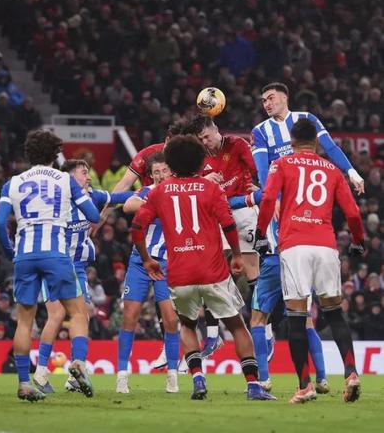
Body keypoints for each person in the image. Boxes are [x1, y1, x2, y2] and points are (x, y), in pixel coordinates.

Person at [131, 135, 275, 401]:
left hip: (180, 273)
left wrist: (147, 259)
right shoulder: (211, 188)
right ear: (200, 161)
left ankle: (198, 378)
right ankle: (254, 385)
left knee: (187, 324)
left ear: (171, 162)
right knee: (237, 326)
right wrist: (236, 256)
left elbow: (137, 227)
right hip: (213, 271)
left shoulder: (159, 191)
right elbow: (228, 224)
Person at [249, 82, 364, 392]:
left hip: (291, 242)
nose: (266, 103)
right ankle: (346, 374)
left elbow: (330, 148)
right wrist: (358, 241)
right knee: (331, 311)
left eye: (271, 97)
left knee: (297, 315)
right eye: (263, 100)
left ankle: (305, 384)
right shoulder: (261, 131)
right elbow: (352, 213)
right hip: (321, 241)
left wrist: (352, 171)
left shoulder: (303, 127)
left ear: (285, 97)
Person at [0, 130, 100, 402]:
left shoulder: (13, 183)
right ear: (55, 154)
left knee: (25, 321)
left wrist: (10, 250)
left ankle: (24, 382)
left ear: (28, 153)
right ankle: (78, 362)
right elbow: (93, 214)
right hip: (56, 254)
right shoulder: (65, 180)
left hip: (25, 255)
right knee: (78, 313)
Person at [33, 159, 133, 394]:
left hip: (77, 266)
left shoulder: (93, 196)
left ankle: (75, 373)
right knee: (57, 315)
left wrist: (151, 191)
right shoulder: (57, 199)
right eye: (83, 173)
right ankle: (41, 371)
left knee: (83, 313)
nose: (88, 177)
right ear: (68, 177)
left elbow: (119, 197)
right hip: (55, 264)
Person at [185, 115, 259, 359]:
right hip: (216, 216)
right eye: (201, 139)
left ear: (216, 129)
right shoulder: (198, 157)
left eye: (207, 136)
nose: (205, 142)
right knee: (211, 273)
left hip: (243, 212)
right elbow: (188, 184)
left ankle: (264, 331)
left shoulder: (237, 145)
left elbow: (257, 168)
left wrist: (260, 187)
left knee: (252, 271)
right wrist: (203, 180)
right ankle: (213, 336)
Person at [116, 151, 180, 394]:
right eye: (156, 172)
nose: (161, 175)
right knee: (129, 317)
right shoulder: (148, 191)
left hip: (168, 264)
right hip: (141, 262)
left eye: (164, 171)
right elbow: (128, 205)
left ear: (172, 171)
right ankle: (122, 375)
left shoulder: (180, 191)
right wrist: (154, 205)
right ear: (151, 175)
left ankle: (172, 375)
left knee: (170, 320)